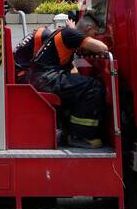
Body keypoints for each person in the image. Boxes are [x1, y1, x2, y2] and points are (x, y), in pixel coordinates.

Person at [25, 12, 110, 148]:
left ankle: (69, 131)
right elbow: (103, 47)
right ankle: (80, 136)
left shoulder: (66, 34)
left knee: (80, 84)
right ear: (87, 29)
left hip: (41, 78)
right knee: (93, 86)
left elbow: (72, 69)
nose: (96, 37)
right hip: (47, 78)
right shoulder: (71, 34)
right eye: (95, 34)